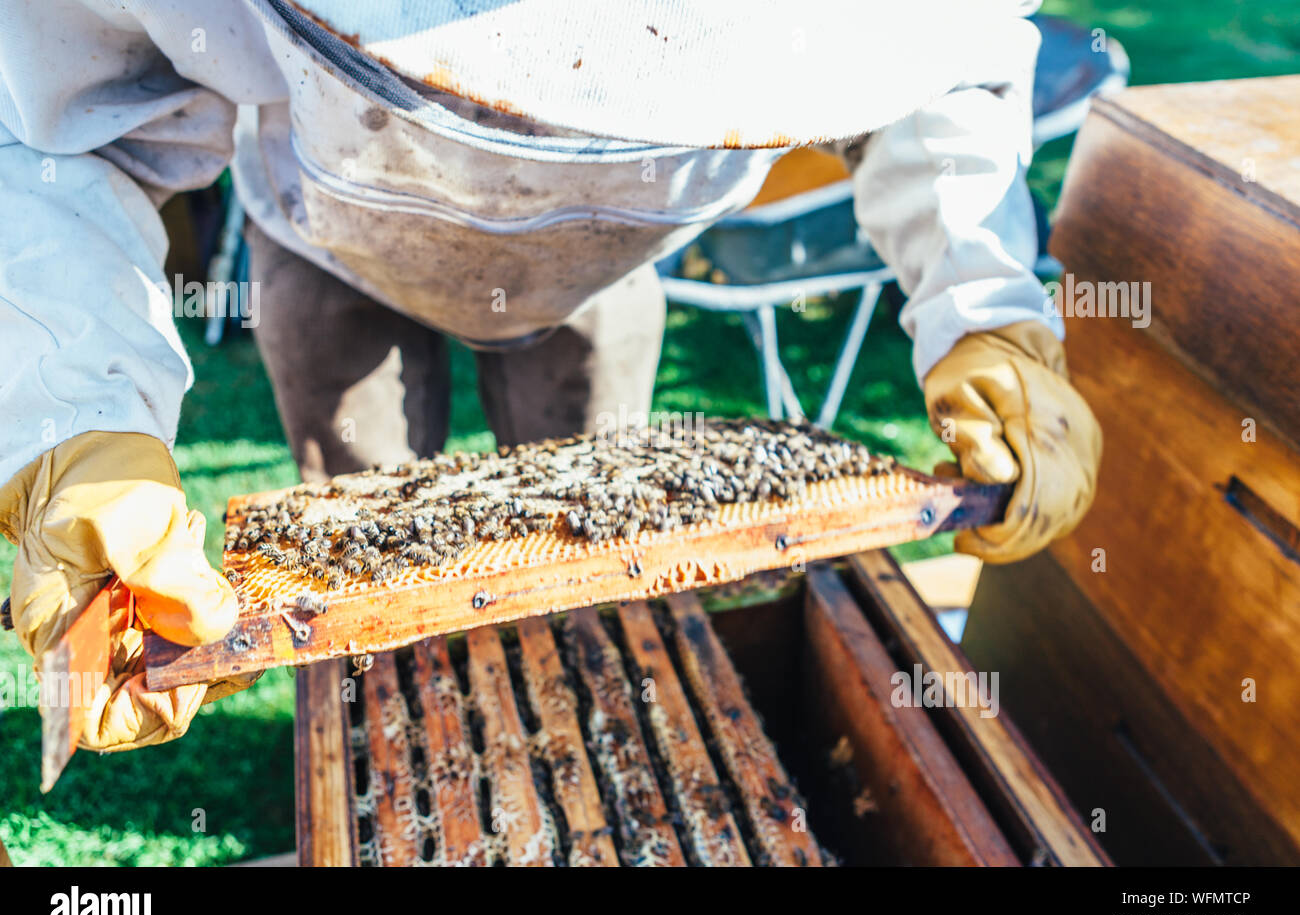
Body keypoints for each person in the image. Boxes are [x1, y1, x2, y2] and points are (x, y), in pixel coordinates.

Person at [0, 0, 1100, 751]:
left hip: (604, 274)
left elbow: (936, 64)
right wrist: (77, 420)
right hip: (333, 243)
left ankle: (568, 740)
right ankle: (388, 753)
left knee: (598, 574)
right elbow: (63, 126)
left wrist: (981, 302)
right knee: (353, 589)